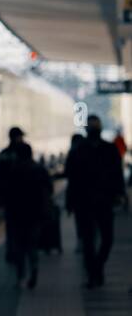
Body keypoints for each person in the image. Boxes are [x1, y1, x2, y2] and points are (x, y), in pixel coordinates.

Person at [64, 116, 126, 288]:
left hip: (102, 201)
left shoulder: (106, 149)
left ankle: (97, 267)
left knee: (107, 239)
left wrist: (119, 193)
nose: (94, 129)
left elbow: (117, 174)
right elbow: (72, 178)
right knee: (89, 240)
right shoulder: (80, 150)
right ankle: (93, 274)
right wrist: (70, 202)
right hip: (86, 202)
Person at [3, 143, 52, 289]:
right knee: (32, 245)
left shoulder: (13, 171)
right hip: (36, 214)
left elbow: (7, 194)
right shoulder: (39, 169)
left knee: (19, 247)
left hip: (18, 215)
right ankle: (34, 270)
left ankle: (20, 277)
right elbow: (49, 189)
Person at [0, 125, 29, 195]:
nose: (22, 139)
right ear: (15, 138)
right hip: (16, 190)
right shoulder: (21, 153)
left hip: (7, 191)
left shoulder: (3, 153)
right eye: (20, 137)